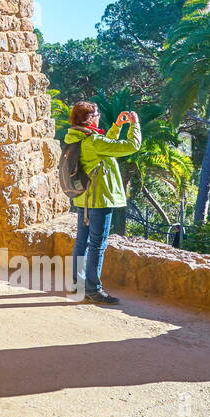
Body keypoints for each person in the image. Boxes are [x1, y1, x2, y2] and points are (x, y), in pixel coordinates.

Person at [64, 101, 141, 304]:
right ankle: (93, 290)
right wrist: (135, 125)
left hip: (84, 198)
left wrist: (117, 127)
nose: (99, 116)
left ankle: (77, 284)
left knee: (82, 242)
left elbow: (106, 147)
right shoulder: (93, 141)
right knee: (97, 244)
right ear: (90, 119)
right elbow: (132, 146)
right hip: (99, 199)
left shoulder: (77, 137)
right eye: (96, 114)